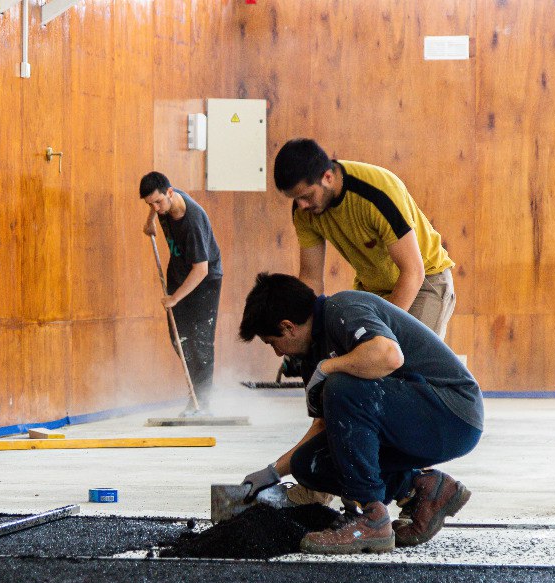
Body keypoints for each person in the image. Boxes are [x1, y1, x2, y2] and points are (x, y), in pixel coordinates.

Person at [238, 272, 483, 554]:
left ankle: (372, 519)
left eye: (272, 342)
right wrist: (272, 472)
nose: (277, 353)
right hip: (417, 419)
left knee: (342, 386)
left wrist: (328, 368)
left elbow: (389, 355)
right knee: (308, 464)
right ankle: (423, 487)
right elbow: (324, 427)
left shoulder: (343, 309)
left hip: (453, 413)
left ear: (288, 326)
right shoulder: (312, 353)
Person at [273, 138, 456, 338]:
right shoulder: (304, 211)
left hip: (424, 282)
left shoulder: (377, 192)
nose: (302, 205)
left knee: (402, 353)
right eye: (295, 199)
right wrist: (306, 333)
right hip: (374, 290)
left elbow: (413, 271)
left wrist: (381, 333)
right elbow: (311, 278)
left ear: (327, 177)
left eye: (307, 196)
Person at [140, 171, 223, 413]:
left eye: (158, 202)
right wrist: (150, 221)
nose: (156, 208)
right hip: (179, 274)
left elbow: (201, 269)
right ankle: (197, 392)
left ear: (170, 192)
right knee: (180, 339)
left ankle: (202, 400)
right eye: (150, 204)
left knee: (200, 342)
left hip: (204, 281)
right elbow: (155, 206)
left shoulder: (192, 221)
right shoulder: (163, 203)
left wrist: (175, 298)